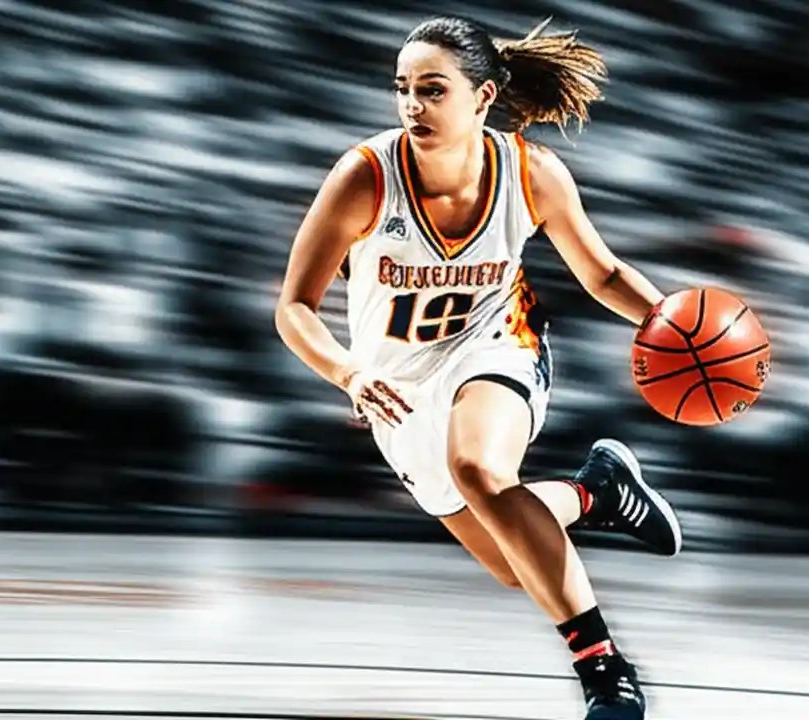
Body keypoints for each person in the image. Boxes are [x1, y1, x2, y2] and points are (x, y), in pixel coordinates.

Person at [276, 15, 681, 719]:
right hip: (395, 386)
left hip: (501, 345)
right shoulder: (363, 178)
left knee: (480, 469)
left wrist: (669, 322)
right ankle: (598, 491)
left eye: (432, 90)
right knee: (510, 560)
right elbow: (294, 308)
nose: (412, 105)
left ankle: (606, 673)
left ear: (484, 97)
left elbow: (603, 271)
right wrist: (348, 373)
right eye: (402, 88)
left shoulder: (531, 173)